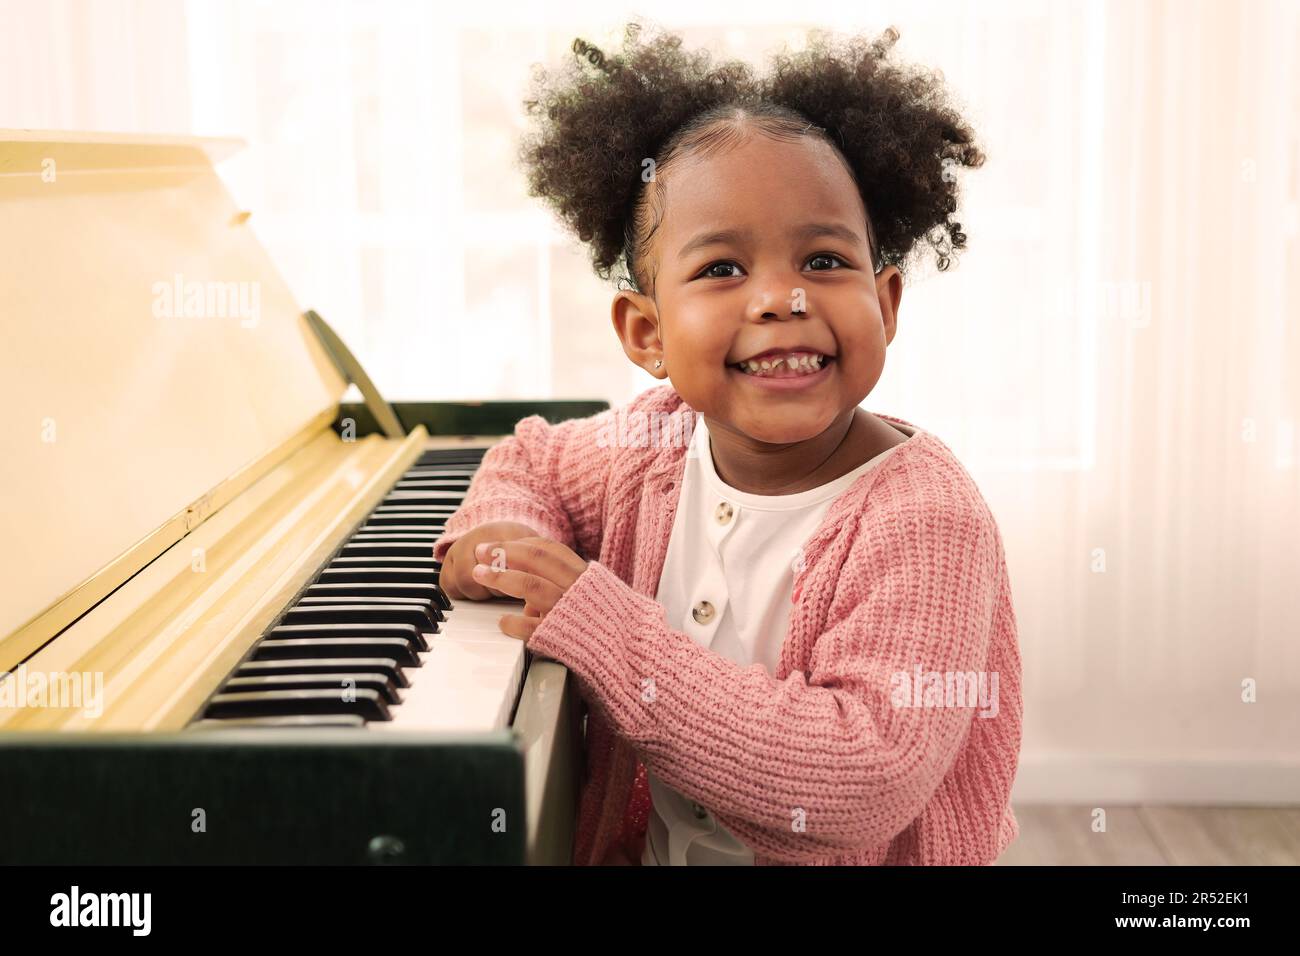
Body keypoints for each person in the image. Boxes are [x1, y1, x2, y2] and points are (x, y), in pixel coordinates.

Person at [433, 19, 1021, 866]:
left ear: (886, 303)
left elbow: (855, 781)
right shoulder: (653, 441)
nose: (781, 298)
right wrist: (508, 535)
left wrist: (604, 624)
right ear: (646, 332)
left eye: (823, 260)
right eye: (721, 270)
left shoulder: (925, 519)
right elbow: (529, 460)